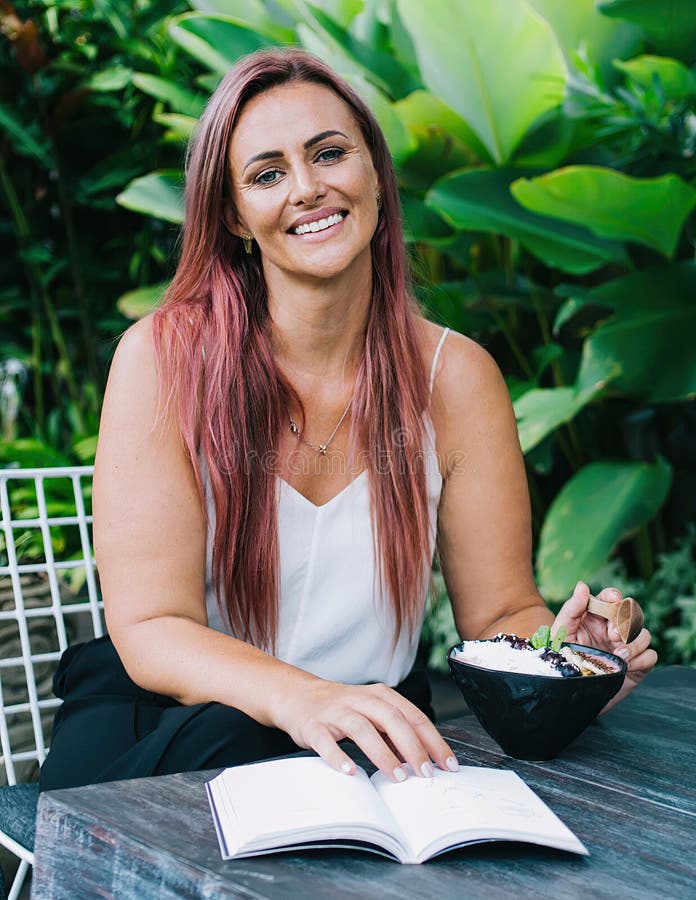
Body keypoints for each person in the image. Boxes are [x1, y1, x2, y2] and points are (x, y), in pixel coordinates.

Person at [39, 48, 656, 792]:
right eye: (268, 173)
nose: (307, 188)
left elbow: (499, 610)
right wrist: (305, 700)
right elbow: (152, 629)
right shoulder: (162, 361)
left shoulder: (458, 379)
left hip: (367, 730)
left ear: (374, 175)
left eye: (330, 154)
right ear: (235, 214)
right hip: (168, 721)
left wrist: (567, 660)